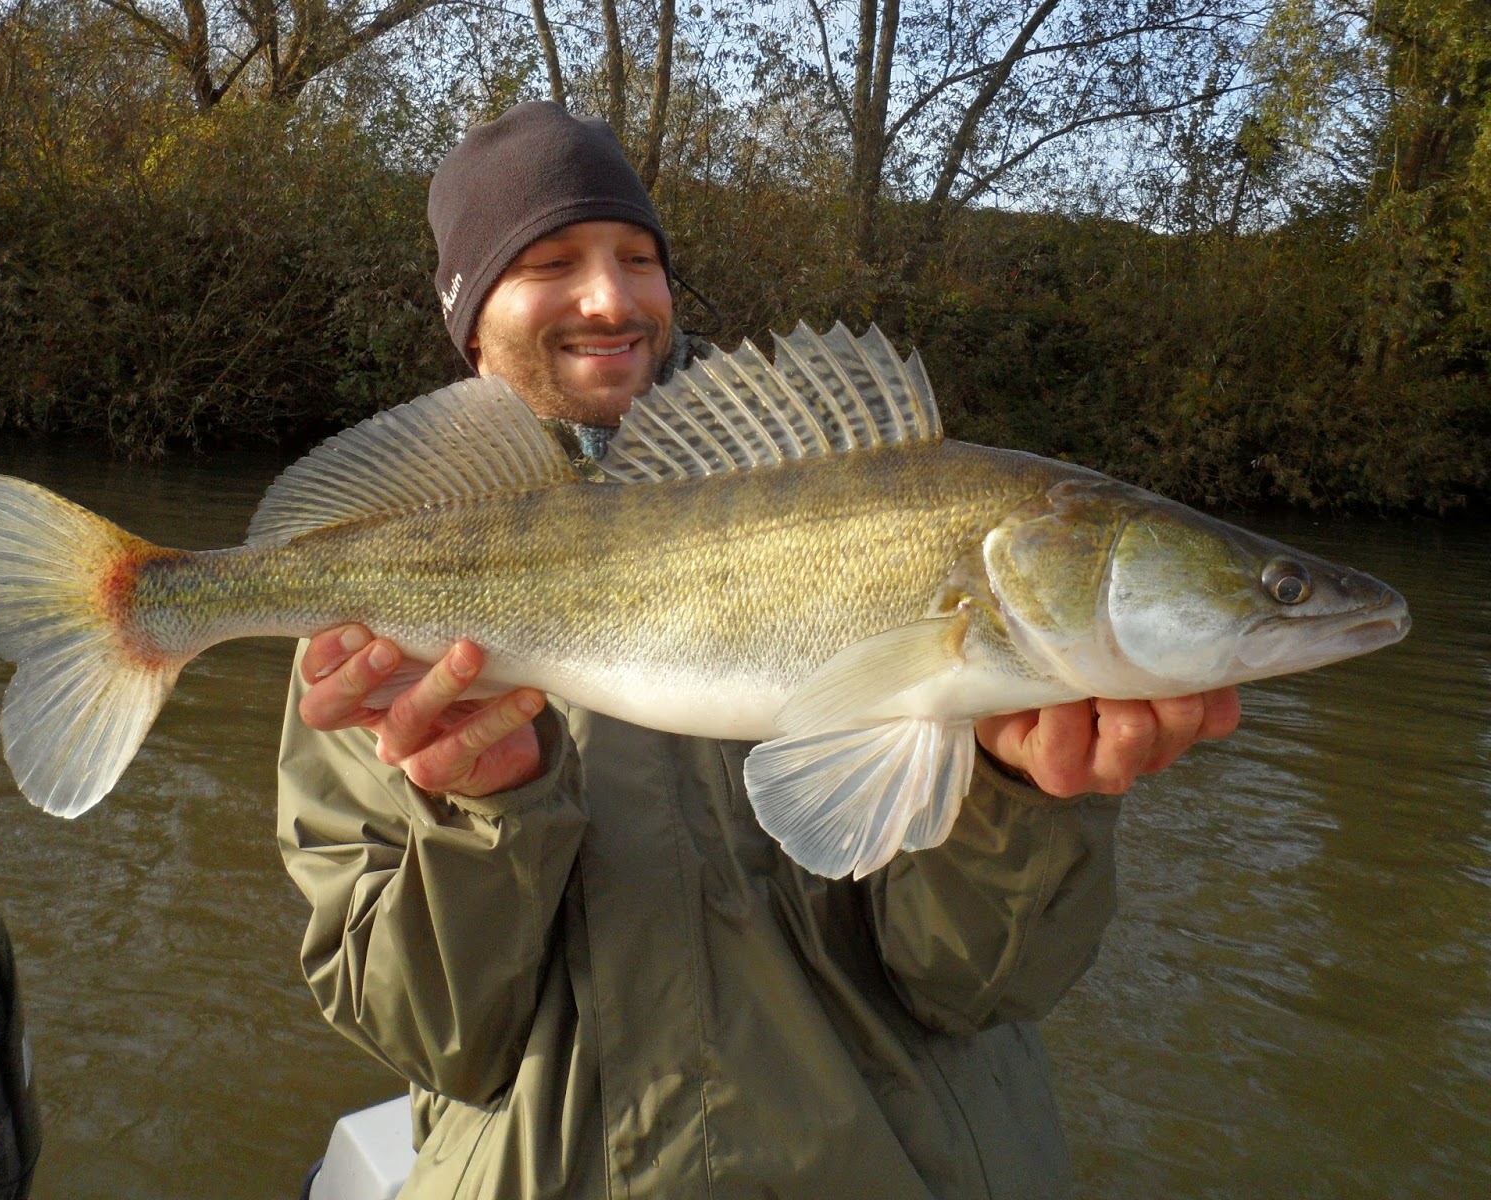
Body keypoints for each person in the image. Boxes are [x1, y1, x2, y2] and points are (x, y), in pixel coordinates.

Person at [277, 101, 1240, 1199]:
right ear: (472, 319)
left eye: (639, 257)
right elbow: (434, 1040)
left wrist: (1016, 800)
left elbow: (977, 990)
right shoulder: (372, 642)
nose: (612, 298)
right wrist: (479, 815)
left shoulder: (845, 488)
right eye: (549, 264)